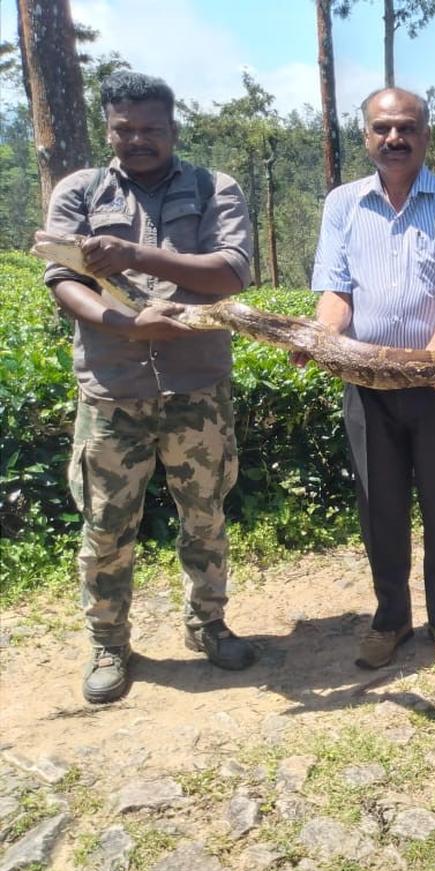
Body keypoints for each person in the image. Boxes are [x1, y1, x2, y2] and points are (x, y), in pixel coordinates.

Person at [41, 71, 256, 704]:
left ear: (172, 128)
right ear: (108, 128)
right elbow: (62, 278)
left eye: (151, 130)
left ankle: (208, 625)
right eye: (124, 129)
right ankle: (109, 642)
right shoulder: (79, 192)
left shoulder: (214, 187)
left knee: (206, 517)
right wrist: (129, 324)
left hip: (198, 387)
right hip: (112, 390)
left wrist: (134, 256)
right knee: (106, 525)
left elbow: (231, 272)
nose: (137, 140)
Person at [307, 88, 435, 671]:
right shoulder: (342, 204)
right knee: (378, 507)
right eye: (382, 128)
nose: (394, 139)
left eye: (406, 127)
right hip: (367, 386)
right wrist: (322, 339)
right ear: (366, 137)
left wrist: (426, 367)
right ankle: (391, 619)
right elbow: (336, 292)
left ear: (426, 134)